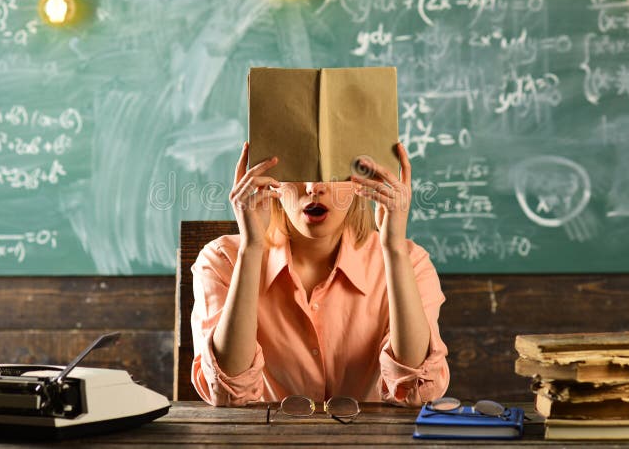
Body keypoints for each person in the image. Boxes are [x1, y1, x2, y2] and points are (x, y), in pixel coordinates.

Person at [190, 141, 449, 406]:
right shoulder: (222, 261)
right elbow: (228, 393)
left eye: (332, 170)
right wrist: (251, 249)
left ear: (362, 177)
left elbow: (415, 391)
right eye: (300, 167)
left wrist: (394, 249)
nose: (315, 187)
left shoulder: (411, 264)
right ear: (270, 178)